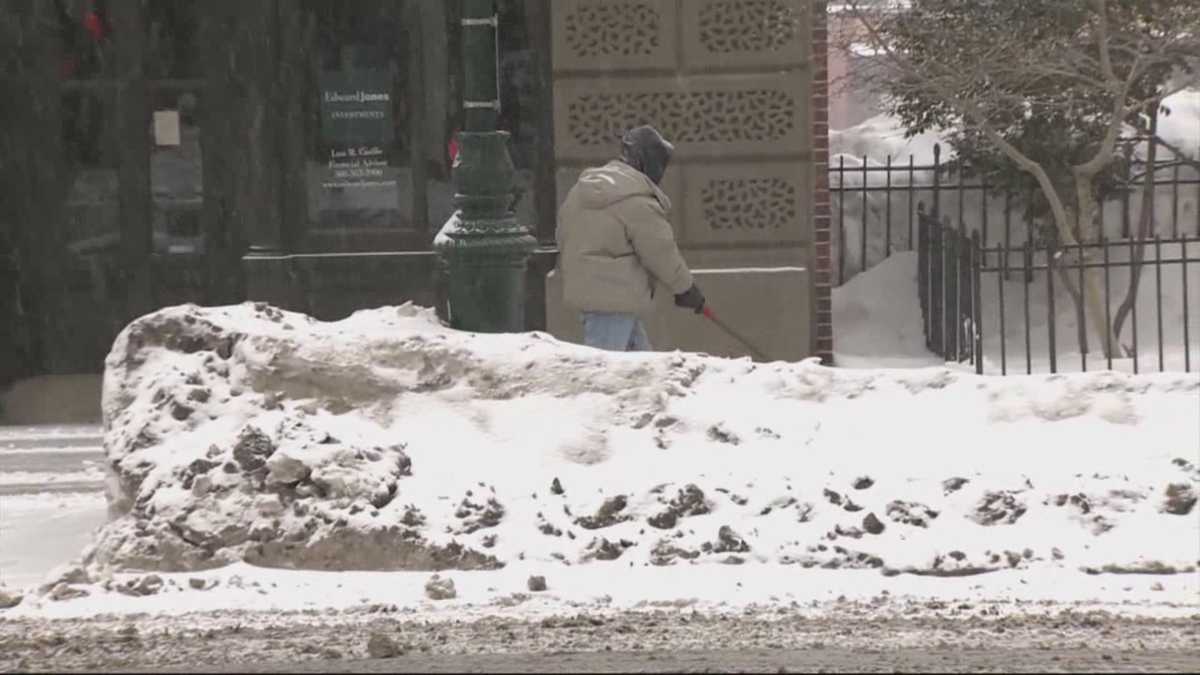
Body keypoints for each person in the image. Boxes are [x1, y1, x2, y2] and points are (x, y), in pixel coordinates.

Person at [556, 125, 705, 352]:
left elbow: (563, 234)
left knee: (641, 367)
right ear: (648, 161)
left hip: (599, 297)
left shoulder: (580, 191)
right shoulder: (636, 200)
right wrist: (685, 288)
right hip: (615, 297)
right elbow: (660, 251)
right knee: (605, 367)